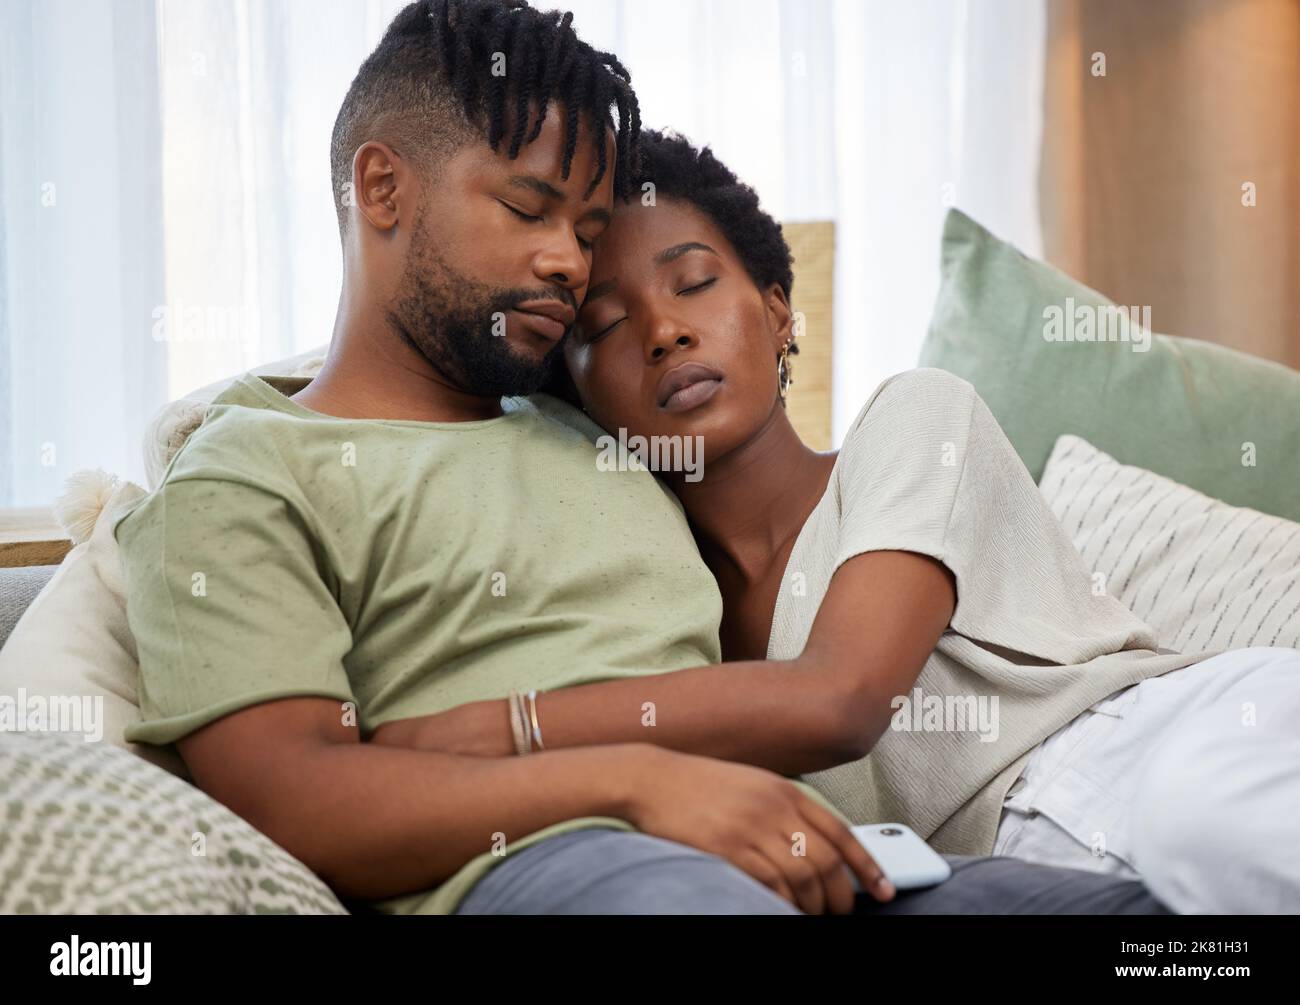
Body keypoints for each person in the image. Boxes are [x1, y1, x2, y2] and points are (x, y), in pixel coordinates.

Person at [115, 0, 1176, 916]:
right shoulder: (244, 473)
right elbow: (290, 799)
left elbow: (818, 647)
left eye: (583, 227)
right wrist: (634, 783)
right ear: (382, 191)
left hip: (803, 851)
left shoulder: (600, 433)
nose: (567, 261)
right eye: (528, 208)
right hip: (560, 865)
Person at [387, 128, 1300, 915]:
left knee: (1203, 821)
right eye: (608, 324)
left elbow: (841, 699)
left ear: (779, 313)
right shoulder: (658, 615)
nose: (664, 332)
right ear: (576, 395)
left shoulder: (913, 423)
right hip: (1026, 874)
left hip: (1165, 742)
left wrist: (510, 728)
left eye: (695, 283)